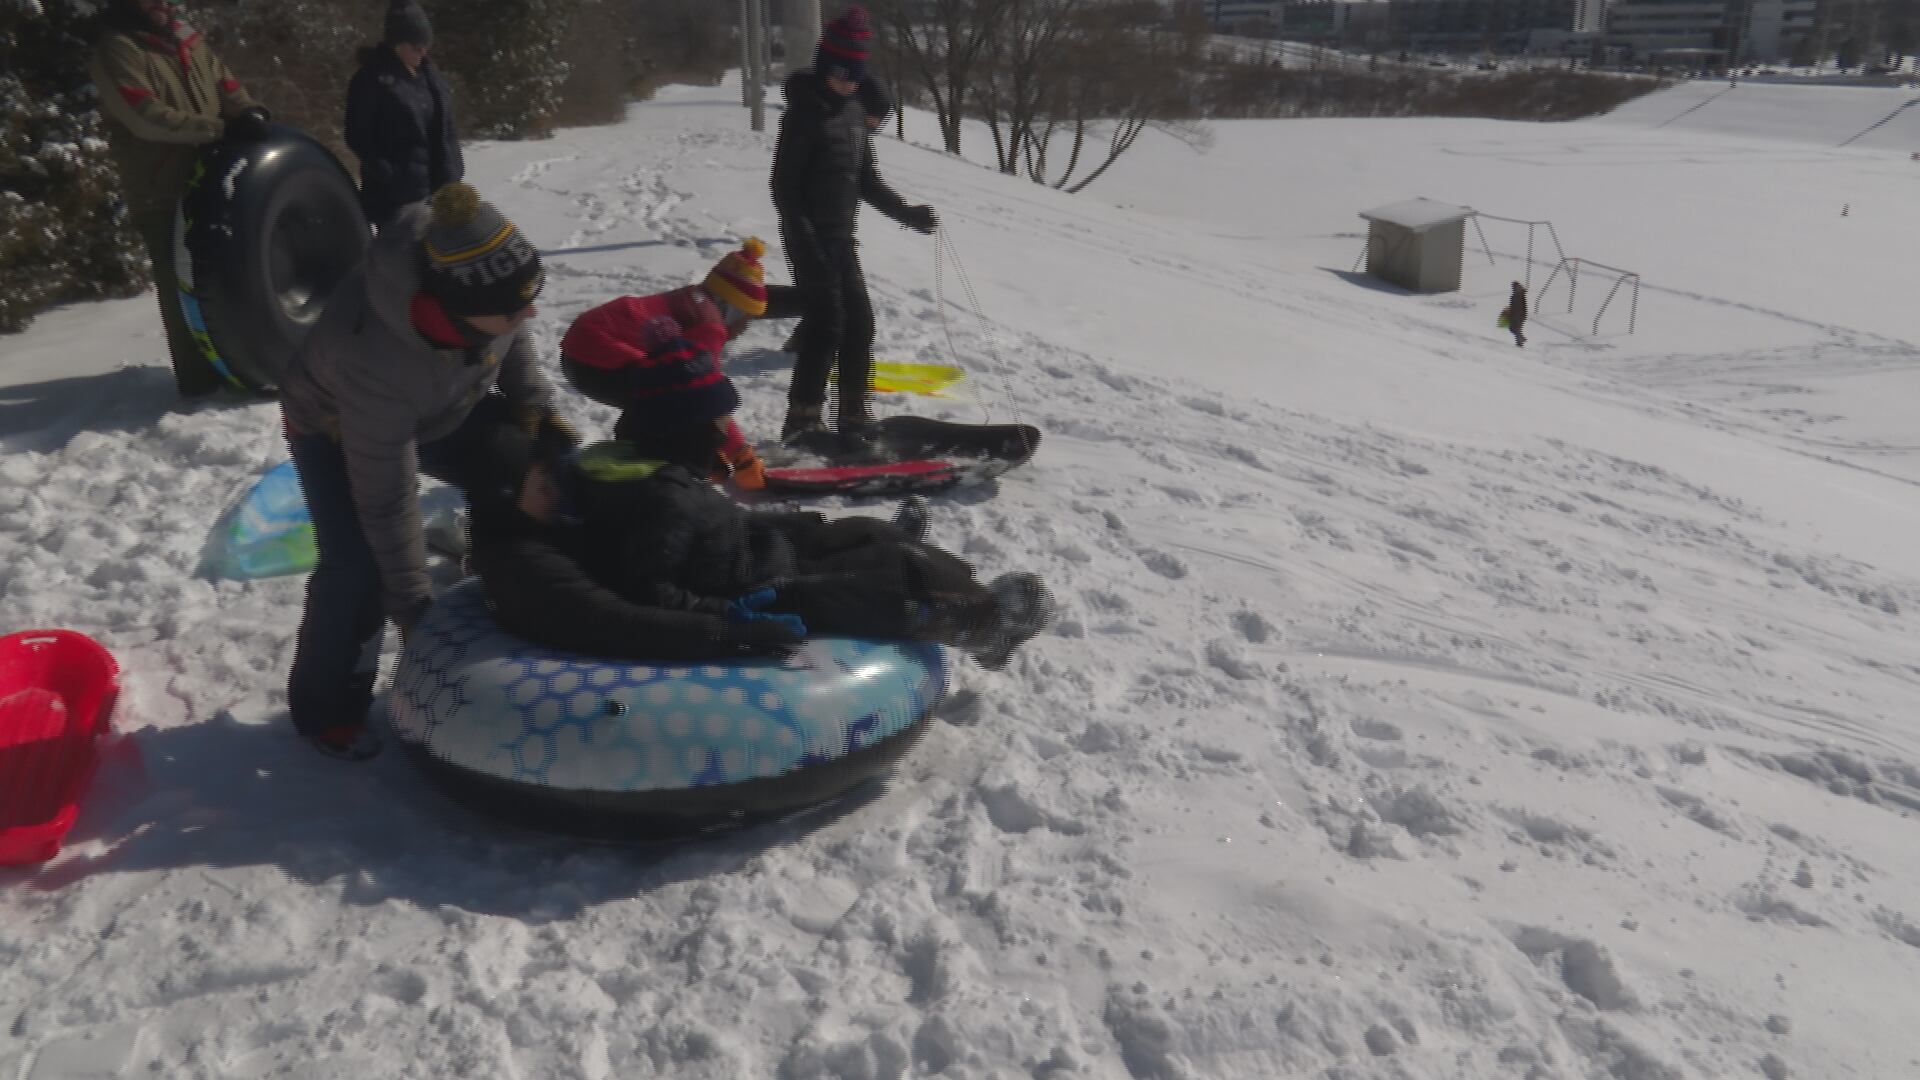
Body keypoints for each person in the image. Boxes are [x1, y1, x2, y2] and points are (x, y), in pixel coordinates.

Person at [463, 349, 1054, 671]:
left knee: (853, 532)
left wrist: (788, 525)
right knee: (869, 587)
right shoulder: (632, 510)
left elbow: (706, 524)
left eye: (545, 470)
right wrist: (730, 617)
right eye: (535, 482)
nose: (551, 484)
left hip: (741, 549)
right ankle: (980, 625)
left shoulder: (613, 484)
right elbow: (645, 592)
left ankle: (910, 556)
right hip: (750, 585)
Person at [278, 181, 577, 761]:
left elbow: (511, 337)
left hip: (444, 400)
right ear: (457, 308)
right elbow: (388, 501)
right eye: (515, 305)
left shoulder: (476, 283)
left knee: (525, 468)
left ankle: (506, 580)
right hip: (337, 425)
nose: (530, 312)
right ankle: (327, 706)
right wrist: (413, 610)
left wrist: (532, 409)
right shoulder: (370, 358)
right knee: (359, 561)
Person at [771, 5, 939, 447]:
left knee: (860, 324)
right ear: (826, 65)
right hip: (808, 238)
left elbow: (866, 180)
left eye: (856, 74)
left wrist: (907, 214)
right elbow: (783, 190)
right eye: (841, 71)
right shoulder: (803, 116)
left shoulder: (853, 114)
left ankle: (853, 414)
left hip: (841, 239)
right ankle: (802, 421)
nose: (848, 81)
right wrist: (808, 247)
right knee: (827, 325)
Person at [88, 0, 273, 398]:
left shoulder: (187, 37)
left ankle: (241, 365)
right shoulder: (117, 48)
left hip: (213, 177)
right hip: (161, 187)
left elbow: (227, 85)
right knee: (181, 287)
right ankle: (199, 384)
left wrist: (249, 112)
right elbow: (143, 113)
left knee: (225, 275)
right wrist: (218, 128)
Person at [560, 239, 808, 491]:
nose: (744, 328)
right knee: (671, 402)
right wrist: (740, 455)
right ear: (732, 309)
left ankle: (660, 461)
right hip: (596, 359)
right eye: (746, 319)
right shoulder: (709, 325)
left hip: (580, 350)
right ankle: (652, 476)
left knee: (665, 399)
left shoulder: (695, 298)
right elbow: (706, 397)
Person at [344, 0, 463, 233]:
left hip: (440, 191)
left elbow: (447, 130)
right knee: (404, 263)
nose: (423, 51)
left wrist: (454, 170)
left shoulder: (432, 78)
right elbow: (357, 136)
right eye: (417, 45)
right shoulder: (371, 80)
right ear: (396, 44)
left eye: (426, 45)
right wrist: (390, 174)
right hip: (396, 200)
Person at [1500, 281, 1528, 347]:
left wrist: (1512, 313)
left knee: (1514, 328)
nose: (1512, 288)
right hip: (1519, 314)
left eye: (1514, 286)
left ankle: (1520, 341)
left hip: (1518, 314)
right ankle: (1520, 342)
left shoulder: (1517, 294)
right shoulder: (1518, 294)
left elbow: (1517, 306)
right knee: (1515, 328)